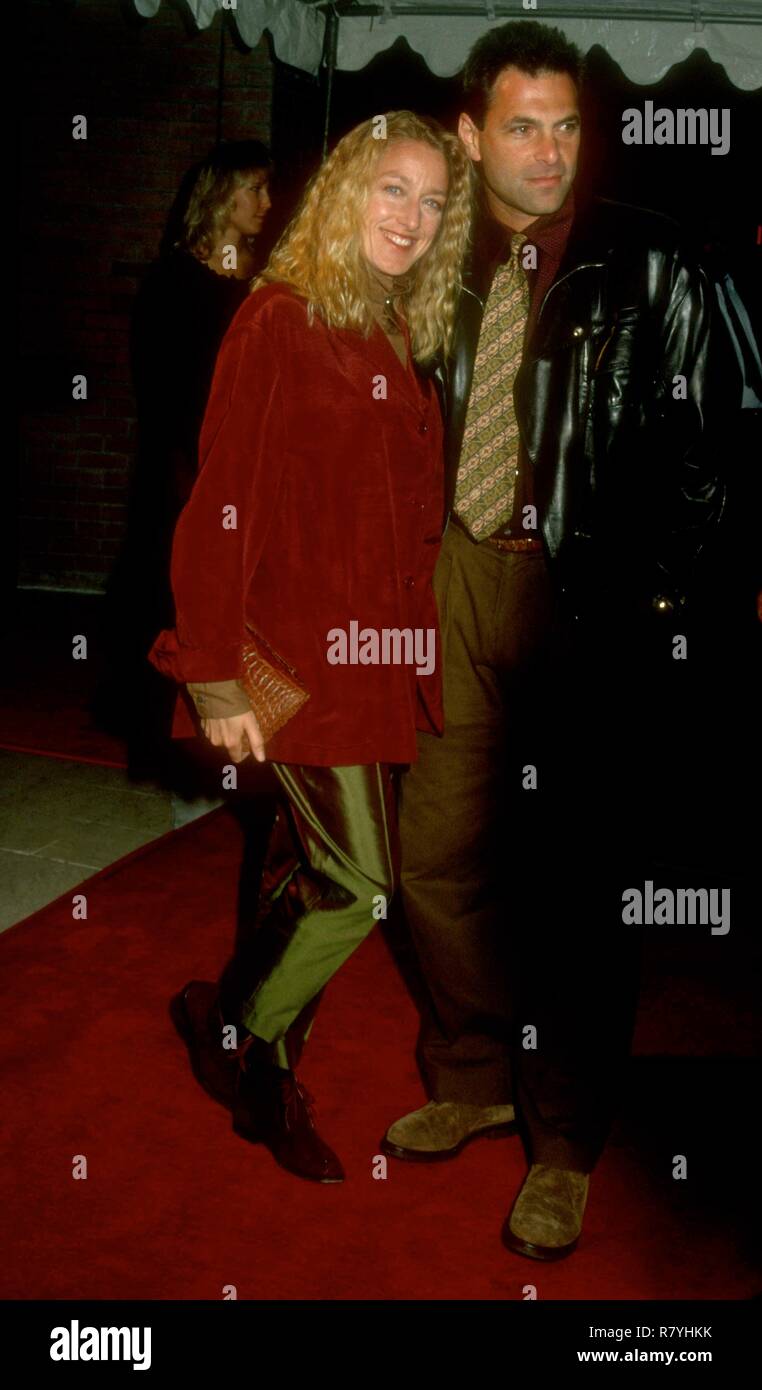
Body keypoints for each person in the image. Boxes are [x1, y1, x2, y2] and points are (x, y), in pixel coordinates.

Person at [380, 21, 726, 1260]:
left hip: (585, 594)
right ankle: (471, 1071)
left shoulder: (656, 260)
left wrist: (659, 602)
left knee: (578, 881)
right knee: (434, 850)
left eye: (567, 125)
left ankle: (567, 1139)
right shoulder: (428, 255)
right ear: (470, 135)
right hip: (448, 578)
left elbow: (719, 453)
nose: (548, 152)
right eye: (521, 126)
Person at [148, 112, 473, 1183]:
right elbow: (220, 503)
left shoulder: (389, 329)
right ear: (344, 192)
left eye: (432, 202)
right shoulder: (278, 320)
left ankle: (265, 1070)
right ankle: (229, 1026)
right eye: (393, 189)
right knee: (359, 882)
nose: (412, 218)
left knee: (301, 865)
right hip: (288, 662)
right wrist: (210, 664)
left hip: (369, 665)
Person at [95, 141, 273, 792]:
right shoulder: (174, 281)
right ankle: (179, 749)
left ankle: (228, 747)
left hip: (237, 465)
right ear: (220, 196)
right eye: (253, 188)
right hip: (186, 467)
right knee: (177, 599)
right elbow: (164, 386)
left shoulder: (253, 279)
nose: (265, 202)